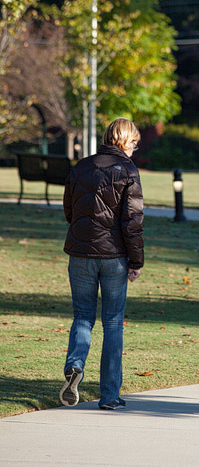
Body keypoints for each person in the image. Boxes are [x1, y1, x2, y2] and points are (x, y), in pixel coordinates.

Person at [59, 118, 144, 410]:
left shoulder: (82, 166)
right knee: (112, 322)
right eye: (134, 142)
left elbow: (69, 209)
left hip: (80, 254)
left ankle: (75, 365)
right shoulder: (129, 170)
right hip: (114, 258)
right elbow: (132, 222)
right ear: (122, 140)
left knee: (83, 316)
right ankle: (109, 395)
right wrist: (136, 261)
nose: (135, 147)